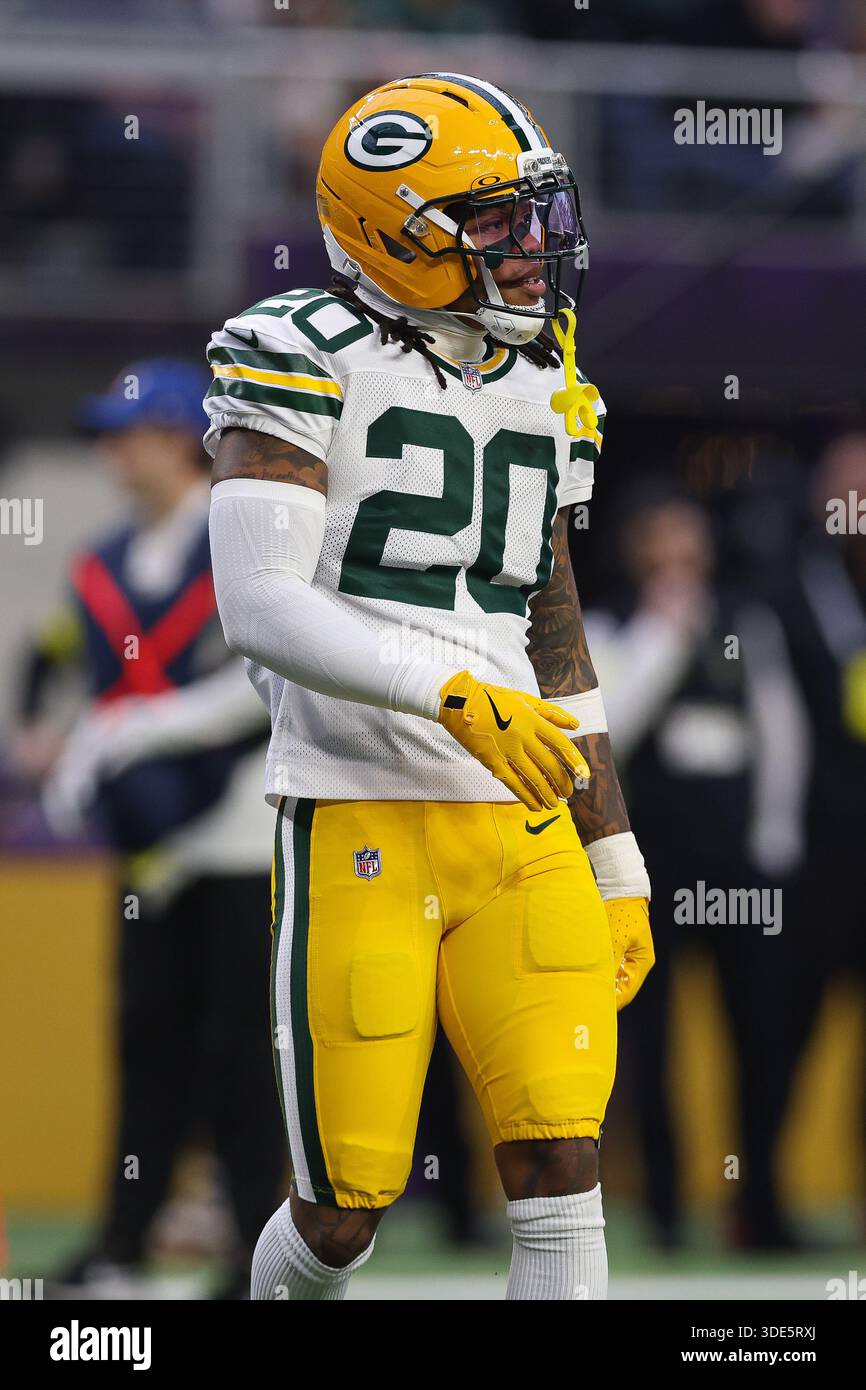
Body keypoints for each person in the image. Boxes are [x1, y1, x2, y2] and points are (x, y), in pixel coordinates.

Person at [205, 73, 654, 1301]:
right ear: (393, 235)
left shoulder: (546, 373)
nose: (532, 247)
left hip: (523, 814)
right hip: (360, 806)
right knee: (343, 1209)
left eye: (532, 215)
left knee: (562, 1156)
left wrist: (614, 857)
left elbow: (551, 624)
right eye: (494, 221)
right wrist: (451, 693)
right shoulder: (301, 348)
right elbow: (260, 601)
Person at [25, 360, 285, 1298]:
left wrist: (136, 727)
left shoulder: (237, 541)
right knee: (146, 1039)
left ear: (185, 437)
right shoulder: (100, 562)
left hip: (237, 833)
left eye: (132, 430)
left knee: (241, 1054)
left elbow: (265, 674)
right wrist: (63, 736)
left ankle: (255, 1248)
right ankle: (122, 1244)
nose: (115, 450)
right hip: (150, 845)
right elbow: (62, 670)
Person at [584, 478, 810, 1248]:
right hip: (651, 860)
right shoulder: (611, 627)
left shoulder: (746, 621)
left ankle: (761, 1206)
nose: (678, 556)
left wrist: (776, 839)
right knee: (648, 1042)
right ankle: (666, 1212)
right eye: (660, 539)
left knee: (759, 1031)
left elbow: (781, 732)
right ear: (635, 548)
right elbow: (611, 727)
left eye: (689, 539)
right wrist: (663, 635)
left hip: (736, 862)